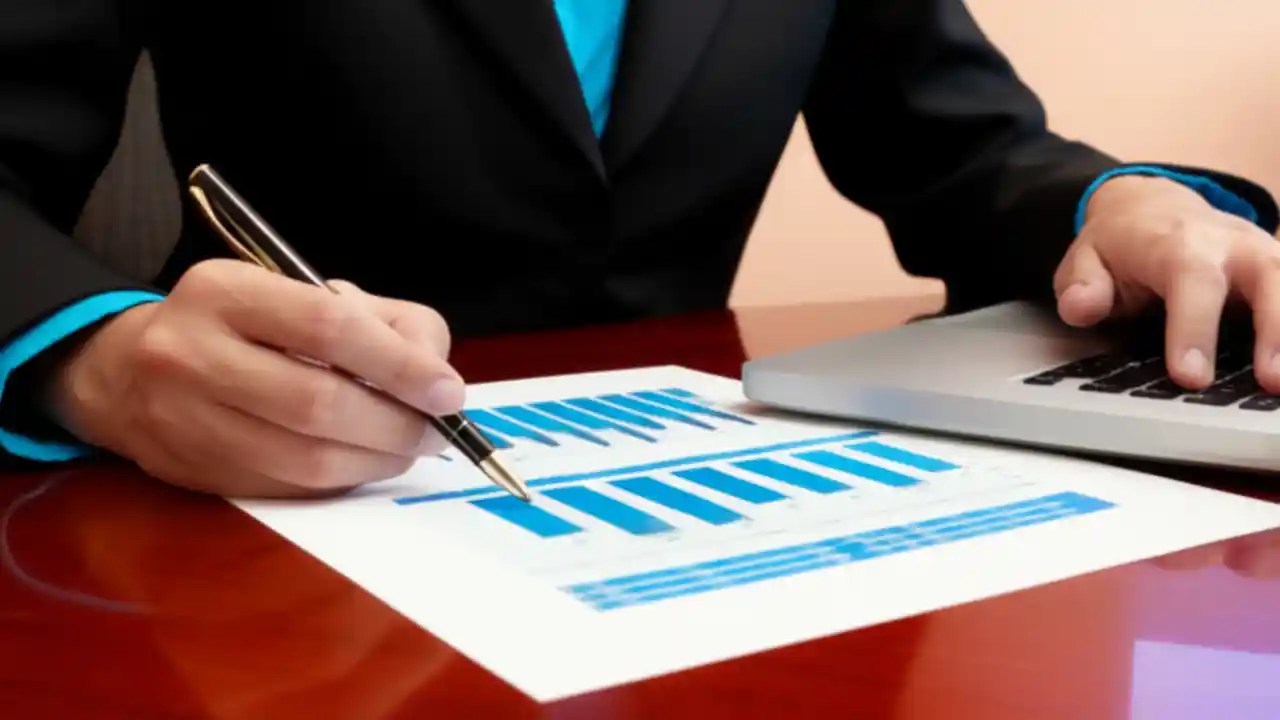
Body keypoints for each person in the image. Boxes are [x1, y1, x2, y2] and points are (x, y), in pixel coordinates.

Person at [0, 0, 1276, 497]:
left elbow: (962, 148)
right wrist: (94, 358)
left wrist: (1119, 203)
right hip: (252, 508)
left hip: (712, 519)